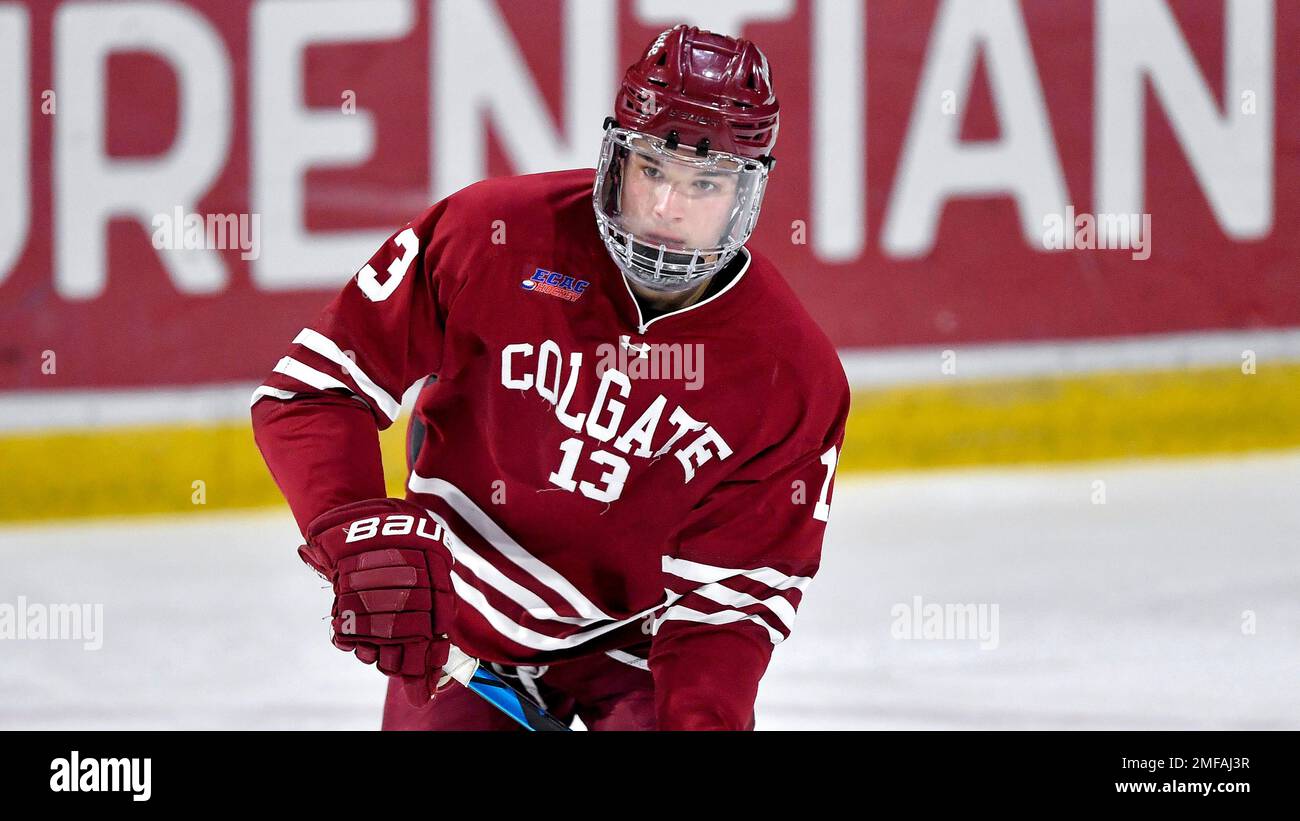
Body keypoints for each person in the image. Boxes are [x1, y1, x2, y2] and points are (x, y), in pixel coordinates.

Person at [251, 24, 849, 731]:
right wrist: (351, 527)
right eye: (652, 169)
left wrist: (701, 718)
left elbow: (731, 603)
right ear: (614, 158)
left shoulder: (790, 371)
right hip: (466, 627)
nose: (666, 210)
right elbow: (314, 388)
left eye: (705, 184)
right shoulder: (492, 233)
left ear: (747, 195)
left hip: (637, 651)